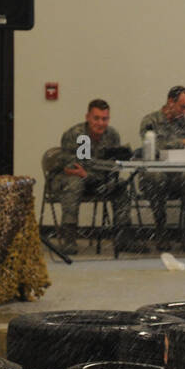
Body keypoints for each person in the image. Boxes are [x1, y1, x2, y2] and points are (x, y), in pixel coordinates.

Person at [56, 98, 132, 254]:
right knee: (75, 182)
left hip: (97, 180)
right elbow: (75, 167)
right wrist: (92, 173)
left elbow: (113, 164)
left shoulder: (112, 135)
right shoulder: (77, 135)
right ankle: (69, 240)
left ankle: (123, 239)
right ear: (87, 117)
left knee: (122, 185)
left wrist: (95, 174)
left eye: (104, 119)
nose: (100, 123)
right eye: (96, 118)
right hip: (67, 180)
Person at [138, 86, 185, 251]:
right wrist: (182, 142)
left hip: (177, 175)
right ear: (170, 102)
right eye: (182, 106)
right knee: (157, 179)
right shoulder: (150, 121)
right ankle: (161, 234)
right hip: (153, 175)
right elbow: (155, 148)